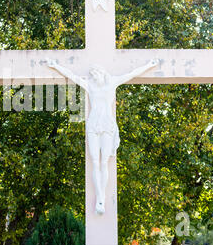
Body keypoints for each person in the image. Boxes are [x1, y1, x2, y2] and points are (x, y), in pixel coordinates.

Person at [46, 58, 158, 214]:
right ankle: (99, 197)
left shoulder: (112, 83)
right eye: (92, 76)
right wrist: (56, 66)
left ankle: (101, 198)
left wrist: (148, 65)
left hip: (107, 125)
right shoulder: (90, 85)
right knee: (95, 161)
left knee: (104, 161)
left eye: (95, 75)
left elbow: (132, 74)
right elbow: (72, 76)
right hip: (93, 124)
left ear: (101, 74)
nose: (93, 78)